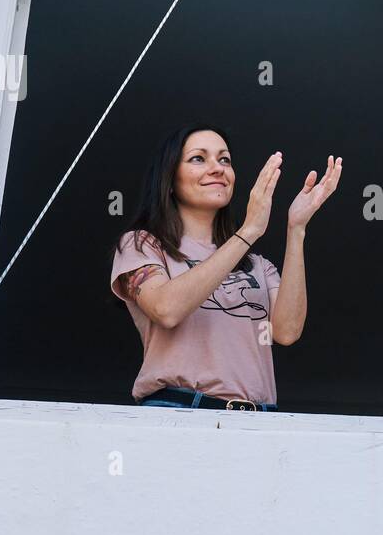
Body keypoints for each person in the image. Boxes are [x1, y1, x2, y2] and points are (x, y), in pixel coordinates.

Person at [110, 122, 342, 411]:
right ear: (169, 179)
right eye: (198, 158)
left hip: (257, 419)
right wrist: (249, 231)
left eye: (225, 159)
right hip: (179, 409)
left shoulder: (257, 265)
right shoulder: (142, 244)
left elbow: (286, 331)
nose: (217, 168)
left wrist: (296, 229)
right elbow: (166, 310)